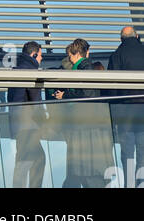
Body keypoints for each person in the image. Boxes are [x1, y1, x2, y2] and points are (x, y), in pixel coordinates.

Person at [52, 38, 114, 188]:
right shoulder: (82, 68)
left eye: (70, 56)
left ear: (77, 54)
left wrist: (65, 96)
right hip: (87, 125)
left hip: (86, 126)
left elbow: (87, 94)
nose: (69, 59)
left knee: (86, 168)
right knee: (85, 169)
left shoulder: (84, 69)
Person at [7, 41, 48, 187]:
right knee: (31, 161)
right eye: (40, 55)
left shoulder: (17, 69)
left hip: (19, 125)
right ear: (34, 54)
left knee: (26, 160)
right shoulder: (29, 69)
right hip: (29, 126)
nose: (41, 58)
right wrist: (44, 121)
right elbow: (36, 100)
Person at [107, 25, 144, 186]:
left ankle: (129, 184)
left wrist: (114, 113)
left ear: (121, 39)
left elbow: (112, 87)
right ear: (137, 37)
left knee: (127, 153)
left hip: (125, 113)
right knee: (143, 151)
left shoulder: (116, 55)